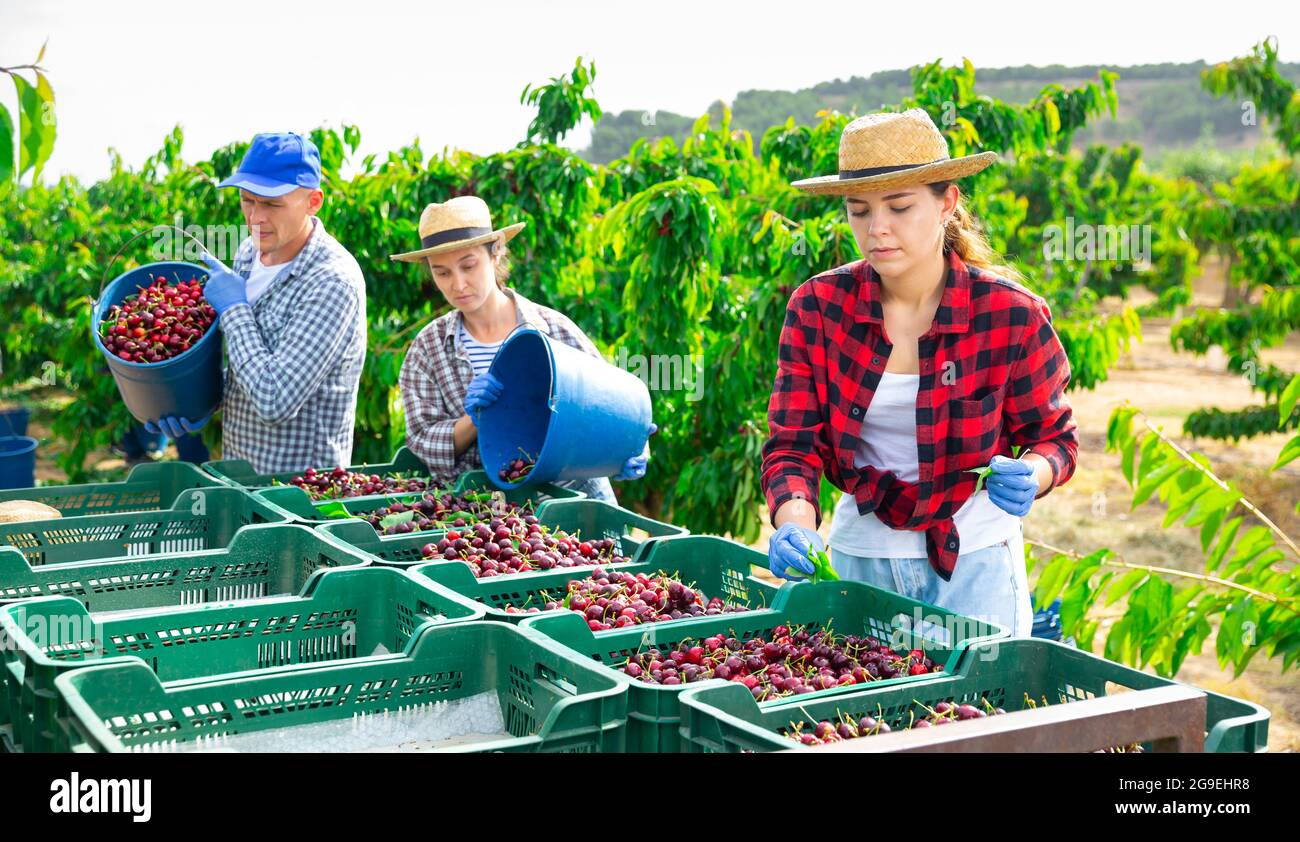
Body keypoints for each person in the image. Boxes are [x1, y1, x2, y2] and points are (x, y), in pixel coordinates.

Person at [761, 109, 1078, 638]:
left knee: (979, 712)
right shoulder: (818, 308)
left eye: (900, 206)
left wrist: (1036, 473)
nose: (876, 229)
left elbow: (1053, 439)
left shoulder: (1010, 314)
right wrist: (795, 521)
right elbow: (793, 443)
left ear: (946, 202)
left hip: (976, 560)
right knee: (865, 714)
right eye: (858, 211)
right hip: (863, 562)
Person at [393, 195, 651, 502]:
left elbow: (611, 402)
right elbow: (421, 442)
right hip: (487, 519)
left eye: (469, 265)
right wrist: (475, 421)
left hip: (573, 504)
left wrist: (634, 447)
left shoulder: (554, 330)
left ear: (495, 252)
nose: (458, 284)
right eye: (442, 272)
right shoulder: (429, 348)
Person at [146, 132, 368, 473]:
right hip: (240, 475)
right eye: (247, 200)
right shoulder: (249, 252)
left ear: (313, 202)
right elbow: (250, 362)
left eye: (272, 204)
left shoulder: (331, 281)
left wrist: (235, 309)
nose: (256, 217)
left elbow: (274, 398)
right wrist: (201, 399)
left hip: (299, 496)